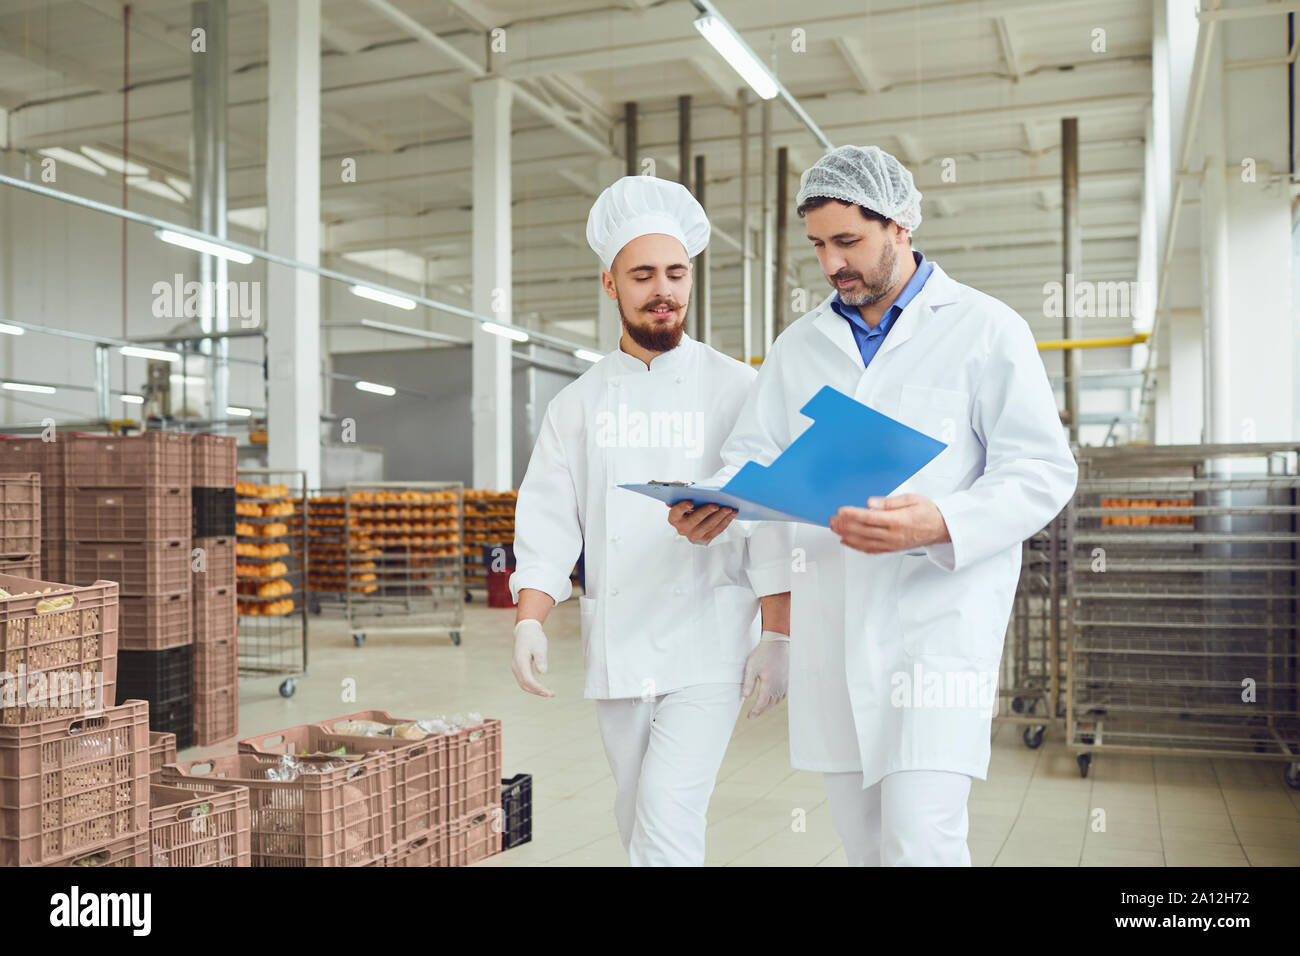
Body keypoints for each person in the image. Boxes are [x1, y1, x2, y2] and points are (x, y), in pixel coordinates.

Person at [668, 145, 1078, 866]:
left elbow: (1042, 470)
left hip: (935, 627)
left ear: (901, 227)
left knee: (920, 842)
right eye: (819, 246)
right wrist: (722, 501)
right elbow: (753, 453)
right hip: (833, 630)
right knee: (863, 847)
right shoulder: (799, 347)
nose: (832, 264)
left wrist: (943, 521)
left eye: (848, 241)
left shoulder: (985, 330)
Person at [508, 175, 791, 867]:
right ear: (610, 284)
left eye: (676, 272)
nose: (662, 289)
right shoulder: (576, 405)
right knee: (636, 812)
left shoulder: (739, 387)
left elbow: (774, 516)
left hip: (712, 635)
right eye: (643, 275)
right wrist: (529, 617)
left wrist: (778, 634)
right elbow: (549, 522)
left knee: (666, 811)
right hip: (622, 641)